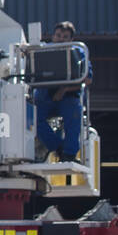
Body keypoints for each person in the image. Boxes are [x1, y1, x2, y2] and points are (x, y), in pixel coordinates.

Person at [35, 21, 92, 162]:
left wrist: (64, 89)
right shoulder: (43, 50)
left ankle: (69, 153)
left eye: (65, 37)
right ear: (53, 36)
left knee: (73, 116)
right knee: (33, 118)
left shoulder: (79, 52)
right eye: (58, 35)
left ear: (71, 40)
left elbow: (87, 79)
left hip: (68, 97)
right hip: (45, 96)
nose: (60, 39)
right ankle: (58, 147)